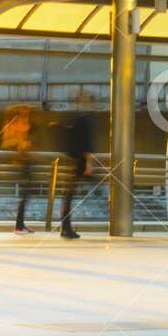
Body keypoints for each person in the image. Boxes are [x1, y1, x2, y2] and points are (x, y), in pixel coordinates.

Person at [58, 91, 96, 240]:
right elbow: (88, 142)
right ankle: (66, 228)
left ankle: (65, 227)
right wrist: (89, 162)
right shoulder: (87, 119)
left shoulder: (73, 118)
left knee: (68, 194)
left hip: (71, 160)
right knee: (69, 194)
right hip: (79, 161)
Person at [2, 103, 37, 234]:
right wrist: (22, 145)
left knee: (27, 193)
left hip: (25, 163)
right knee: (26, 192)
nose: (27, 115)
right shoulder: (14, 125)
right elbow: (9, 144)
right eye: (24, 112)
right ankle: (19, 226)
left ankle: (20, 224)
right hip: (22, 164)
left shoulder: (22, 125)